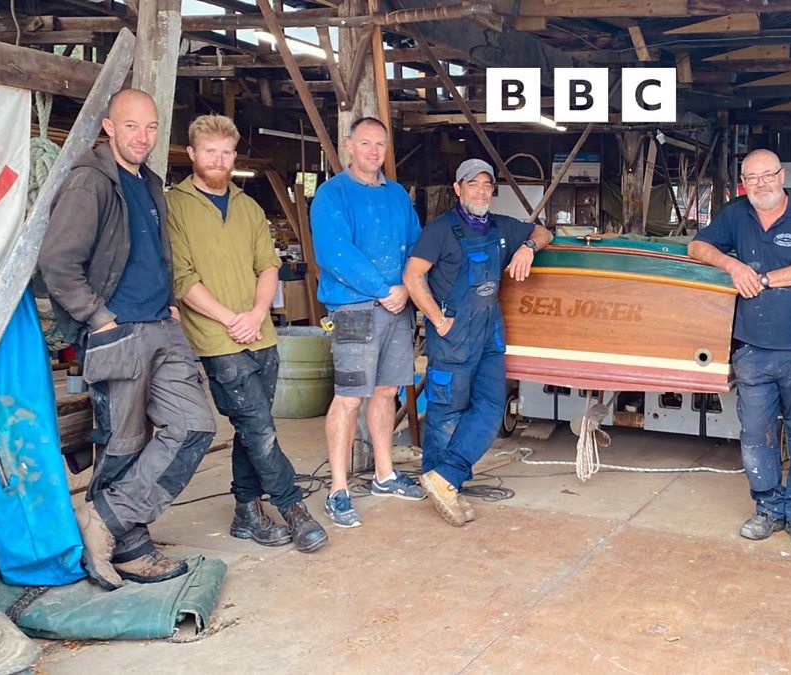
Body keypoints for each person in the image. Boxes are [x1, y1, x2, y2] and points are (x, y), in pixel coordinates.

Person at [39, 89, 216, 590]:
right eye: (132, 126)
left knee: (195, 427)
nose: (143, 136)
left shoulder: (150, 182)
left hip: (161, 323)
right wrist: (98, 318)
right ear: (109, 127)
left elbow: (147, 252)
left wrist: (168, 300)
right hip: (119, 332)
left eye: (152, 127)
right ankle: (131, 546)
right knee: (123, 443)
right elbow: (57, 263)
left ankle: (105, 519)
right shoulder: (90, 183)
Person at [167, 114, 328, 553]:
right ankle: (294, 508)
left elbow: (268, 266)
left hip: (260, 334)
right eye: (210, 152)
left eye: (226, 152)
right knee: (259, 429)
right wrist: (229, 318)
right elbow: (182, 278)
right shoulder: (175, 206)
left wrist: (258, 311)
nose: (218, 160)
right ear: (193, 154)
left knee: (250, 427)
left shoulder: (248, 206)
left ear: (234, 156)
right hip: (218, 339)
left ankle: (246, 511)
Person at [688, 149, 791, 550]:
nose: (761, 184)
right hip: (753, 351)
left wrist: (764, 280)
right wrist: (733, 266)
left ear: (782, 176)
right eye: (752, 178)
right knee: (755, 435)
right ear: (743, 182)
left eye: (767, 175)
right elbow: (696, 248)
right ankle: (768, 507)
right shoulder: (737, 215)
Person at [404, 159, 553, 526]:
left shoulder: (502, 227)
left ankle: (446, 478)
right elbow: (412, 275)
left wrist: (527, 249)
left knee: (490, 405)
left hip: (488, 333)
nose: (482, 191)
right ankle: (439, 481)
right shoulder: (440, 231)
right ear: (458, 189)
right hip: (453, 337)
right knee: (445, 414)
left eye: (487, 185)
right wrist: (437, 320)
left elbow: (544, 231)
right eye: (473, 185)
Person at [310, 117, 425, 528]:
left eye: (380, 144)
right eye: (365, 143)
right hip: (356, 308)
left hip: (399, 304)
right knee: (349, 397)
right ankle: (337, 490)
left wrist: (409, 288)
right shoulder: (331, 195)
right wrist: (383, 289)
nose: (374, 151)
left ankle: (384, 474)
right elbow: (333, 251)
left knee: (386, 391)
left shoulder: (397, 195)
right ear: (349, 147)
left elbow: (416, 246)